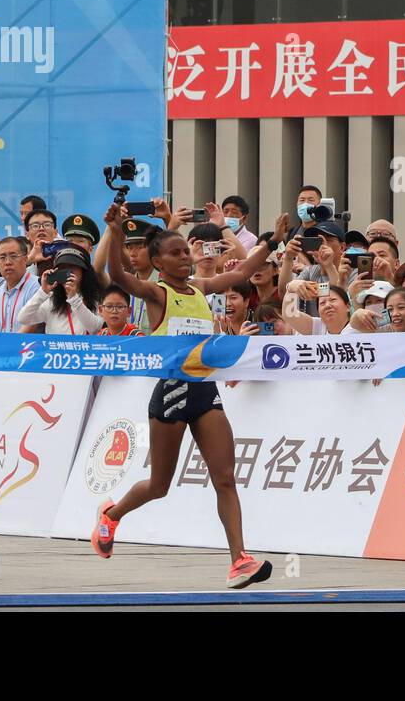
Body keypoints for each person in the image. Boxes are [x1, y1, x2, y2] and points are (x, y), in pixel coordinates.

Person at [92, 204, 273, 589]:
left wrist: (271, 240)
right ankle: (112, 515)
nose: (185, 258)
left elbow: (241, 273)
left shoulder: (200, 289)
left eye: (186, 252)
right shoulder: (155, 294)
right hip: (170, 394)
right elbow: (119, 274)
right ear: (158, 262)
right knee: (159, 485)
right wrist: (117, 233)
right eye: (175, 253)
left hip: (204, 391)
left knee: (225, 477)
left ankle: (239, 560)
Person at [18, 247, 103, 335]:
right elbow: (23, 318)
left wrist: (74, 299)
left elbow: (95, 328)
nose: (68, 271)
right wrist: (43, 292)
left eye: (72, 266)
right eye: (63, 267)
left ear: (83, 271)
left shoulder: (95, 297)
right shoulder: (51, 300)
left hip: (85, 347)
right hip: (55, 348)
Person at [0, 237, 41, 332]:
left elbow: (29, 329)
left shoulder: (37, 287)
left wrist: (6, 346)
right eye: (2, 258)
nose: (8, 262)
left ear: (25, 259)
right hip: (3, 346)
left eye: (13, 256)